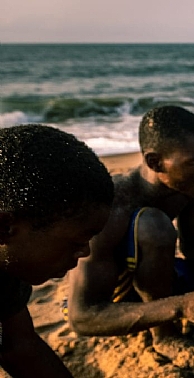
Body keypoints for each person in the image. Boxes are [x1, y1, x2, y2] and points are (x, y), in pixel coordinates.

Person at [67, 106, 194, 350]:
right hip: (114, 297)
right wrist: (182, 305)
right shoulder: (112, 207)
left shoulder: (186, 186)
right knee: (153, 225)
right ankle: (163, 335)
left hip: (157, 278)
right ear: (156, 162)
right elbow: (82, 316)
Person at [0, 124, 114, 377]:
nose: (85, 253)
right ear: (6, 227)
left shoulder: (8, 266)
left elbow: (18, 346)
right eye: (76, 243)